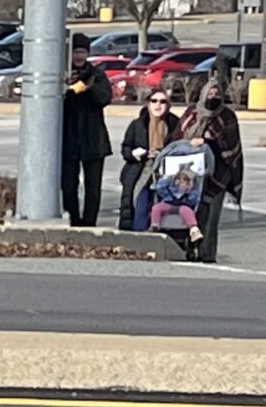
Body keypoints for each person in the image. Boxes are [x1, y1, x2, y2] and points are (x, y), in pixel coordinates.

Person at [180, 76, 245, 264]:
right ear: (203, 93)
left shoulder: (227, 116)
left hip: (217, 175)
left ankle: (207, 254)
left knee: (210, 218)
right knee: (189, 213)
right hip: (188, 174)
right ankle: (188, 251)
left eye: (217, 93)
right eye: (210, 92)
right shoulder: (192, 112)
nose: (213, 96)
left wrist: (208, 142)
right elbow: (178, 135)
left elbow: (231, 148)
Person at [59, 33, 112, 227]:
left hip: (94, 140)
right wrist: (69, 87)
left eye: (82, 52)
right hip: (69, 140)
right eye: (75, 52)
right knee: (68, 186)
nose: (79, 56)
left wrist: (88, 87)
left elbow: (105, 98)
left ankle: (90, 224)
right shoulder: (63, 74)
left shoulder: (97, 74)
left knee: (93, 188)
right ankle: (73, 222)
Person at [118, 88, 180, 230]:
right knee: (140, 206)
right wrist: (135, 153)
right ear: (148, 104)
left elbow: (180, 147)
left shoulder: (175, 124)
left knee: (163, 210)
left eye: (163, 101)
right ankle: (137, 238)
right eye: (154, 101)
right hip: (141, 170)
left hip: (165, 172)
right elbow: (125, 149)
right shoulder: (137, 124)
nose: (158, 105)